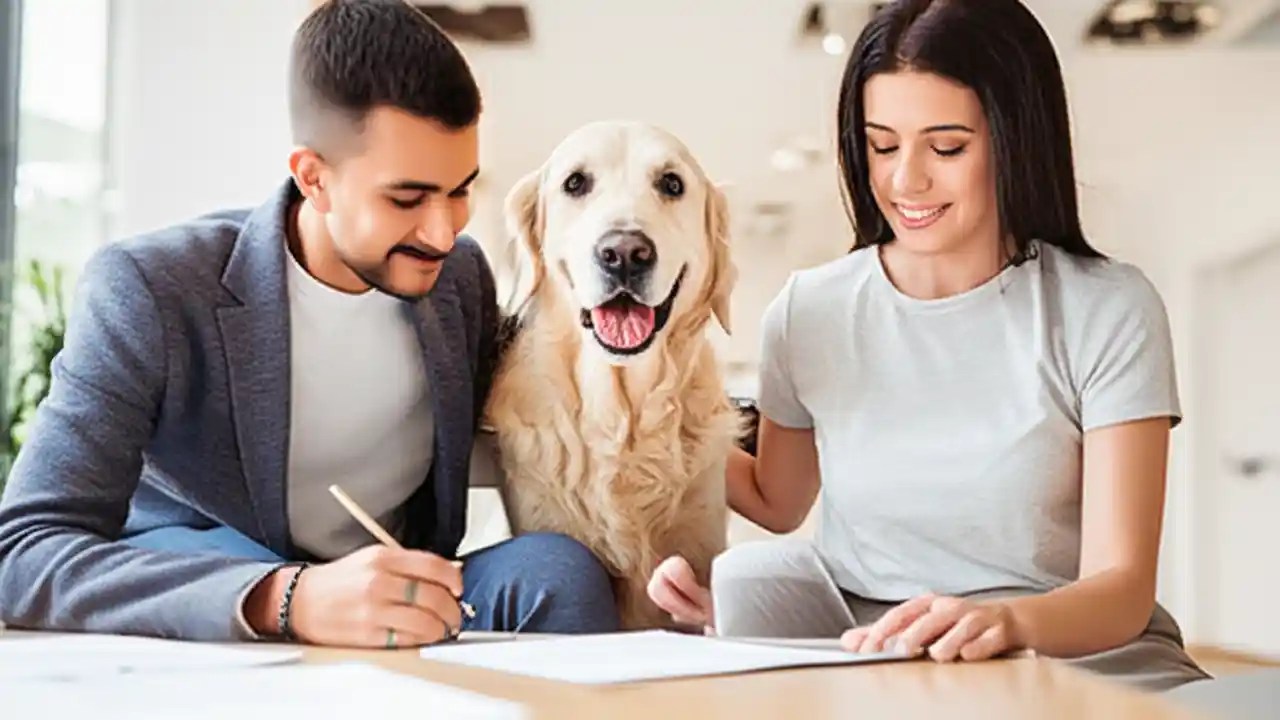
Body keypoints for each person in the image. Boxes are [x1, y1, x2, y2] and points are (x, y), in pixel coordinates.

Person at [0, 0, 619, 647]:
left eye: (459, 189)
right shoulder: (150, 289)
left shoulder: (458, 276)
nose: (443, 232)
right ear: (313, 178)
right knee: (237, 562)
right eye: (406, 198)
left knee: (557, 572)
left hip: (394, 587)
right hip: (225, 581)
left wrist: (700, 500)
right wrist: (284, 596)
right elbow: (23, 550)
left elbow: (561, 405)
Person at [648, 0, 1211, 692]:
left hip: (1081, 658)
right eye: (882, 146)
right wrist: (654, 411)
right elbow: (776, 499)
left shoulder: (1106, 307)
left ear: (1015, 139)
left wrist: (1005, 622)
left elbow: (1120, 588)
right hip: (887, 661)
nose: (905, 180)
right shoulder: (810, 310)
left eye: (946, 148)